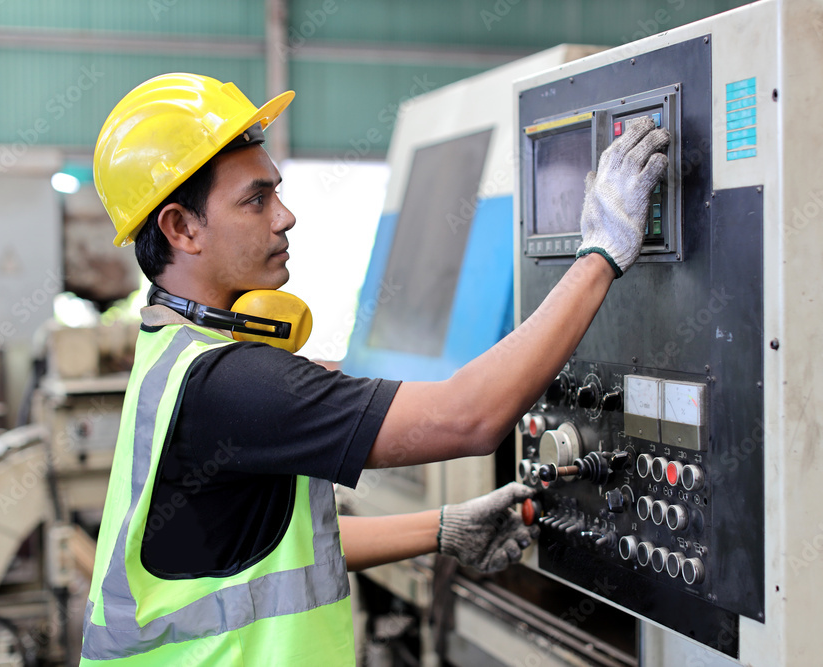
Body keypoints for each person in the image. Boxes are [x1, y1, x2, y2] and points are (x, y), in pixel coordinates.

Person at [79, 73, 668, 666]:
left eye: (275, 193)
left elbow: (276, 550)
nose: (284, 217)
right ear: (181, 227)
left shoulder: (171, 351)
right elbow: (471, 419)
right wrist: (602, 252)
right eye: (255, 200)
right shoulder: (234, 383)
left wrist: (441, 528)